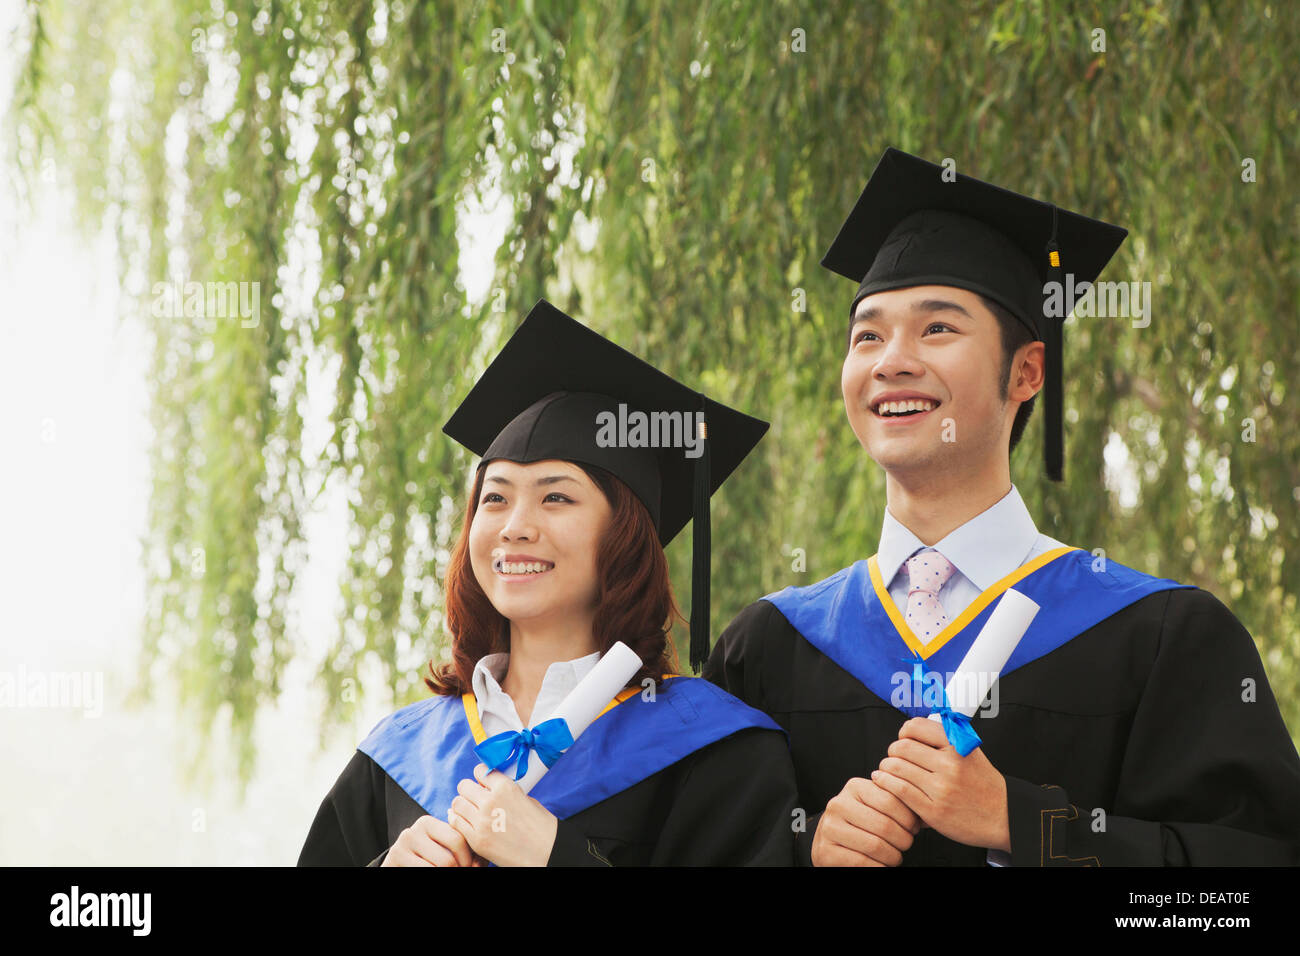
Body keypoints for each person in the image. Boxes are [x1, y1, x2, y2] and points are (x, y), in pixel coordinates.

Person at [705, 148, 1300, 866]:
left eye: (937, 329)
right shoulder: (768, 649)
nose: (891, 359)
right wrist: (806, 855)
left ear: (1026, 371)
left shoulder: (1161, 638)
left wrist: (1025, 824)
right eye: (867, 334)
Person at [298, 298, 798, 866]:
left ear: (628, 536)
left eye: (556, 497)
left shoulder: (713, 751)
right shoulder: (399, 753)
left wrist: (556, 858)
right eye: (495, 498)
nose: (515, 527)